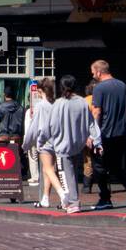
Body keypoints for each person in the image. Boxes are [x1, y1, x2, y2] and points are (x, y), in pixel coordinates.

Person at [42, 75, 102, 215]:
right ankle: (70, 201)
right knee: (72, 175)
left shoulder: (59, 103)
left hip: (62, 146)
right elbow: (91, 123)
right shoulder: (82, 102)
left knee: (65, 175)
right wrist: (97, 141)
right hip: (77, 145)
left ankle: (73, 203)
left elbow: (50, 126)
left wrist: (44, 141)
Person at [89, 59, 126, 209]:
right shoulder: (122, 85)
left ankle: (105, 199)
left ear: (98, 72)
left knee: (99, 166)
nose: (93, 75)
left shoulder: (99, 88)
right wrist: (125, 126)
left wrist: (93, 135)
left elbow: (97, 112)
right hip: (121, 132)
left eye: (93, 73)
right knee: (115, 164)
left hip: (105, 133)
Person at [23, 78, 64, 209]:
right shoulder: (57, 104)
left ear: (41, 91)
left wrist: (26, 144)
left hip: (45, 141)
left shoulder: (40, 105)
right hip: (57, 140)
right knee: (50, 170)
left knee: (48, 169)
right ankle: (45, 198)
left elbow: (34, 127)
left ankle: (63, 196)